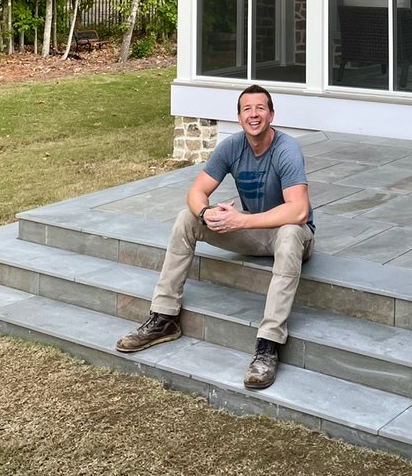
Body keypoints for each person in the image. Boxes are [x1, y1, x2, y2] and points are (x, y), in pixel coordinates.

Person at [115, 84, 314, 390]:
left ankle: (268, 345)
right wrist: (206, 213)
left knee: (288, 235)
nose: (254, 114)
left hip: (294, 235)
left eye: (260, 108)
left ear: (271, 114)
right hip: (255, 233)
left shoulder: (286, 149)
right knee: (187, 218)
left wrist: (243, 220)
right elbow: (196, 192)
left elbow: (298, 211)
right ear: (239, 117)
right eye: (247, 109)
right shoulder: (232, 147)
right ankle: (164, 317)